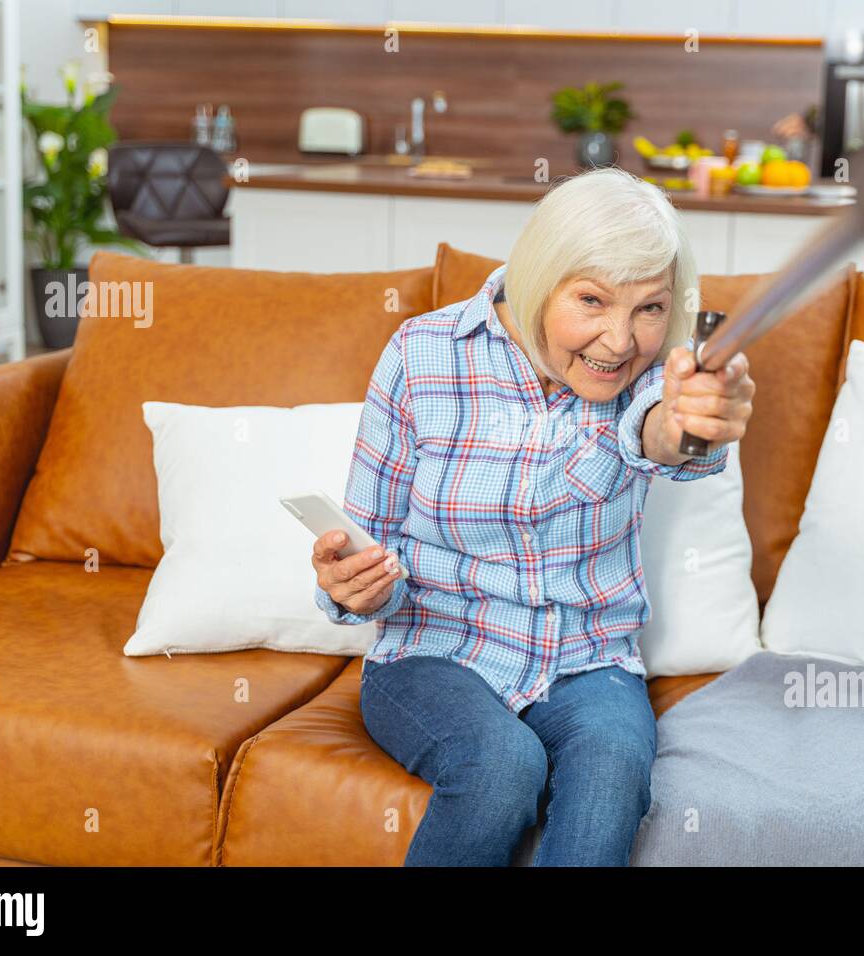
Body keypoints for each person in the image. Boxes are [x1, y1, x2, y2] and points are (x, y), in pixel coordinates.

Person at [312, 166, 755, 866]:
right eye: (592, 301)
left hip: (589, 659)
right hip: (433, 650)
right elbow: (369, 544)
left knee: (613, 773)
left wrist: (683, 425)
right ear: (540, 275)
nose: (619, 340)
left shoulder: (646, 378)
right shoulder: (421, 356)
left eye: (649, 308)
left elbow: (660, 436)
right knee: (501, 767)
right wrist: (353, 585)